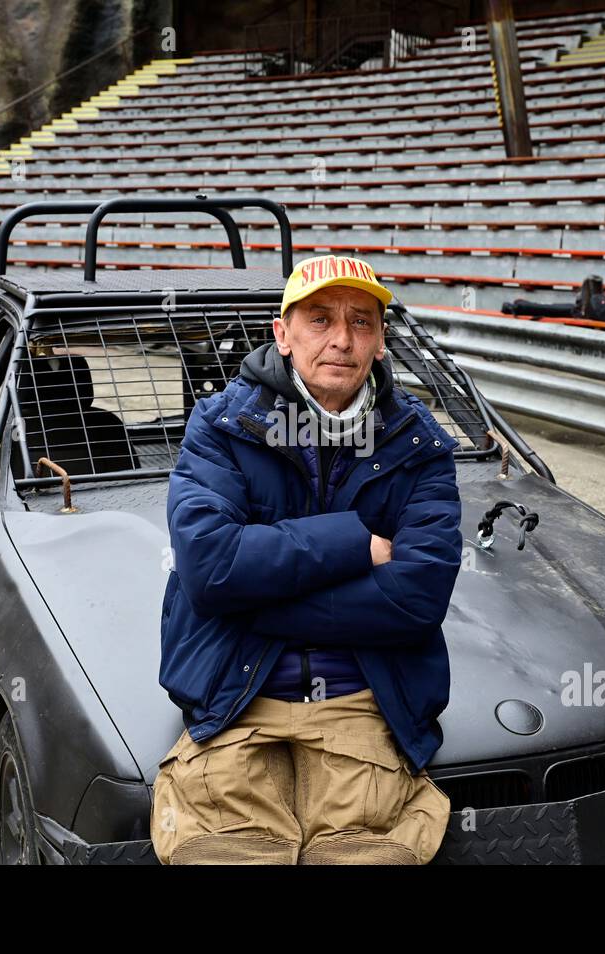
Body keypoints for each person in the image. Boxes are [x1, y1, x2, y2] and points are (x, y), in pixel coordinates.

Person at [152, 254, 462, 864]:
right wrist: (354, 544)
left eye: (362, 322)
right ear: (282, 334)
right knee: (223, 855)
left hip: (361, 701)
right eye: (319, 319)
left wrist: (247, 599)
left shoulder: (419, 443)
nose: (342, 340)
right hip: (234, 695)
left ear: (379, 342)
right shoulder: (221, 425)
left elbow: (416, 600)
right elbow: (213, 568)